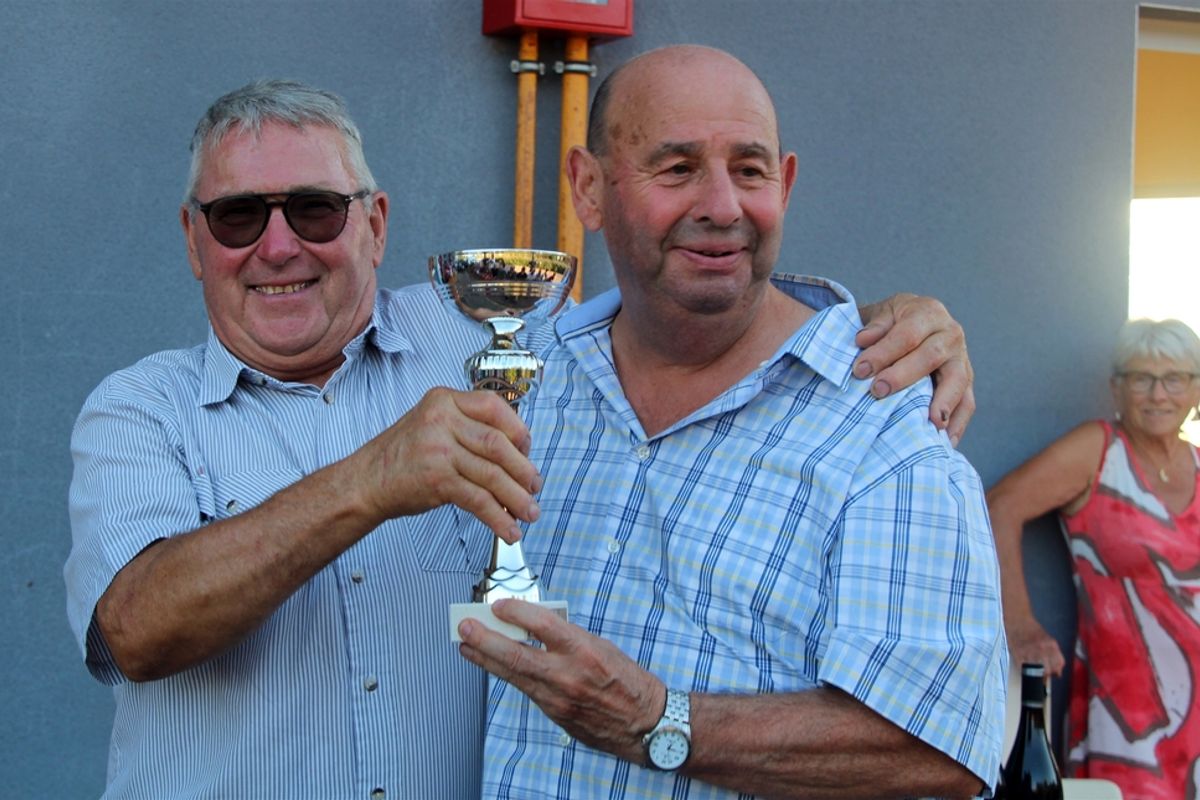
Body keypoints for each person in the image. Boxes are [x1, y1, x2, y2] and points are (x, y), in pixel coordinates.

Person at [65, 78, 976, 799]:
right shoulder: (142, 410)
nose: (277, 247)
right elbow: (136, 631)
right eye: (237, 217)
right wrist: (368, 481)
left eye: (314, 211)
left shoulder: (504, 340)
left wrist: (893, 322)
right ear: (194, 241)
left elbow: (681, 304)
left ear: (374, 226)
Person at [455, 45, 1006, 799]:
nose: (721, 206)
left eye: (748, 170)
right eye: (676, 168)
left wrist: (658, 722)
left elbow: (938, 748)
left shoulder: (885, 429)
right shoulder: (521, 378)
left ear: (784, 185)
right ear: (588, 187)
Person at [987, 317, 1200, 800]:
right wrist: (1020, 624)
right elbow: (1000, 506)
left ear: (1195, 389)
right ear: (1116, 388)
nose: (1158, 394)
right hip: (1132, 713)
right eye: (1141, 378)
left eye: (1175, 378)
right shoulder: (1100, 451)